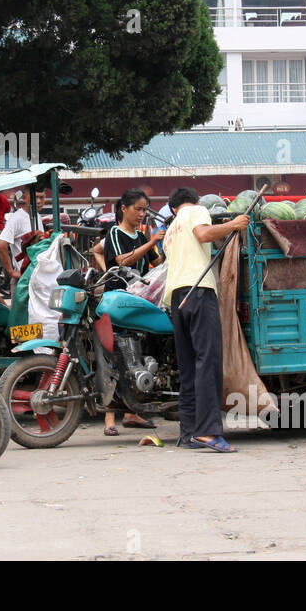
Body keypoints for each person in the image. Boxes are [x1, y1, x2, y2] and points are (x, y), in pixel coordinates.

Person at [161, 186, 248, 453]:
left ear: (173, 207)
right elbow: (203, 234)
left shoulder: (170, 231)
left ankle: (188, 433)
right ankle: (209, 432)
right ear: (195, 202)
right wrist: (234, 224)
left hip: (176, 298)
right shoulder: (197, 211)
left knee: (188, 367)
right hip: (198, 292)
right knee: (208, 362)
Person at [92, 189, 163, 436]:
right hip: (117, 303)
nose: (142, 214)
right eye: (138, 209)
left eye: (145, 210)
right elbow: (121, 260)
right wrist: (152, 242)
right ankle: (110, 419)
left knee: (137, 354)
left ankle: (132, 413)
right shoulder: (114, 232)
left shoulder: (143, 235)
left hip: (138, 302)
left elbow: (156, 263)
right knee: (114, 356)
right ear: (124, 208)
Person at [0, 191, 33, 284]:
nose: (39, 201)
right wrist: (11, 272)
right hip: (23, 278)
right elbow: (1, 245)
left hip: (33, 277)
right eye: (37, 197)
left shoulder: (36, 217)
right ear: (24, 197)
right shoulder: (17, 217)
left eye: (42, 197)